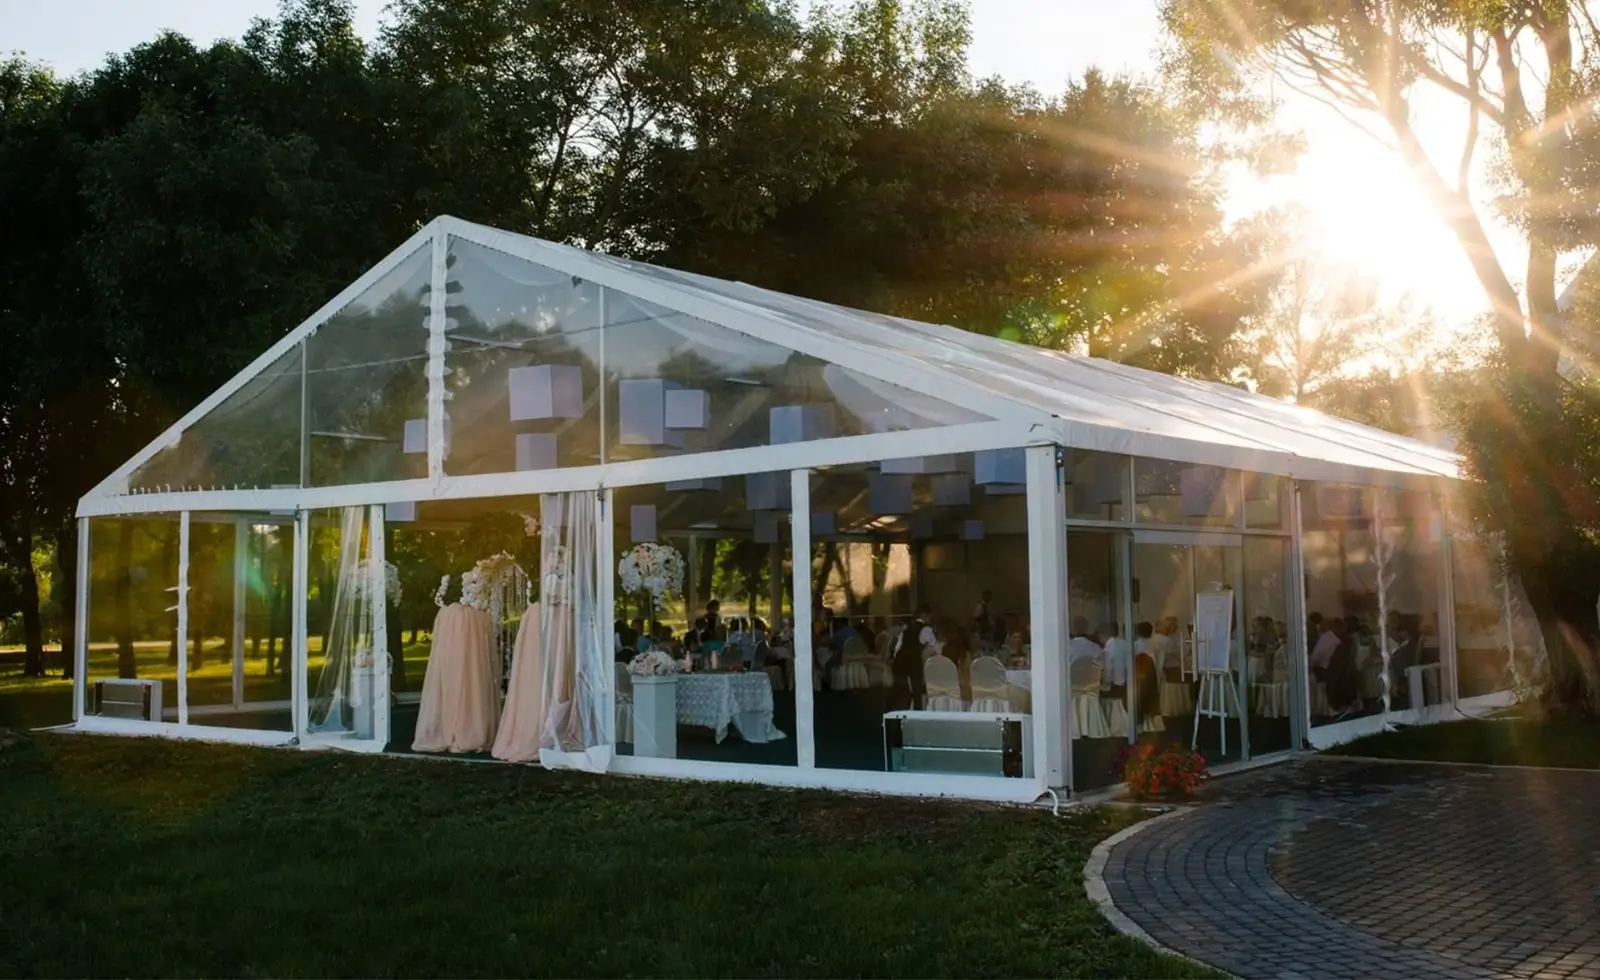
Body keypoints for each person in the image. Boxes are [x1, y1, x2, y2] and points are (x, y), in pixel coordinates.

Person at [890, 603, 934, 710]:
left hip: (899, 667)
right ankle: (917, 715)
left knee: (903, 696)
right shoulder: (926, 629)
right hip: (914, 666)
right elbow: (934, 647)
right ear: (925, 615)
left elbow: (896, 650)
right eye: (929, 616)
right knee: (917, 694)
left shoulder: (906, 630)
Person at [1100, 622, 1129, 696]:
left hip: (1113, 688)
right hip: (1128, 686)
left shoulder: (1108, 648)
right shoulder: (1126, 644)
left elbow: (1108, 672)